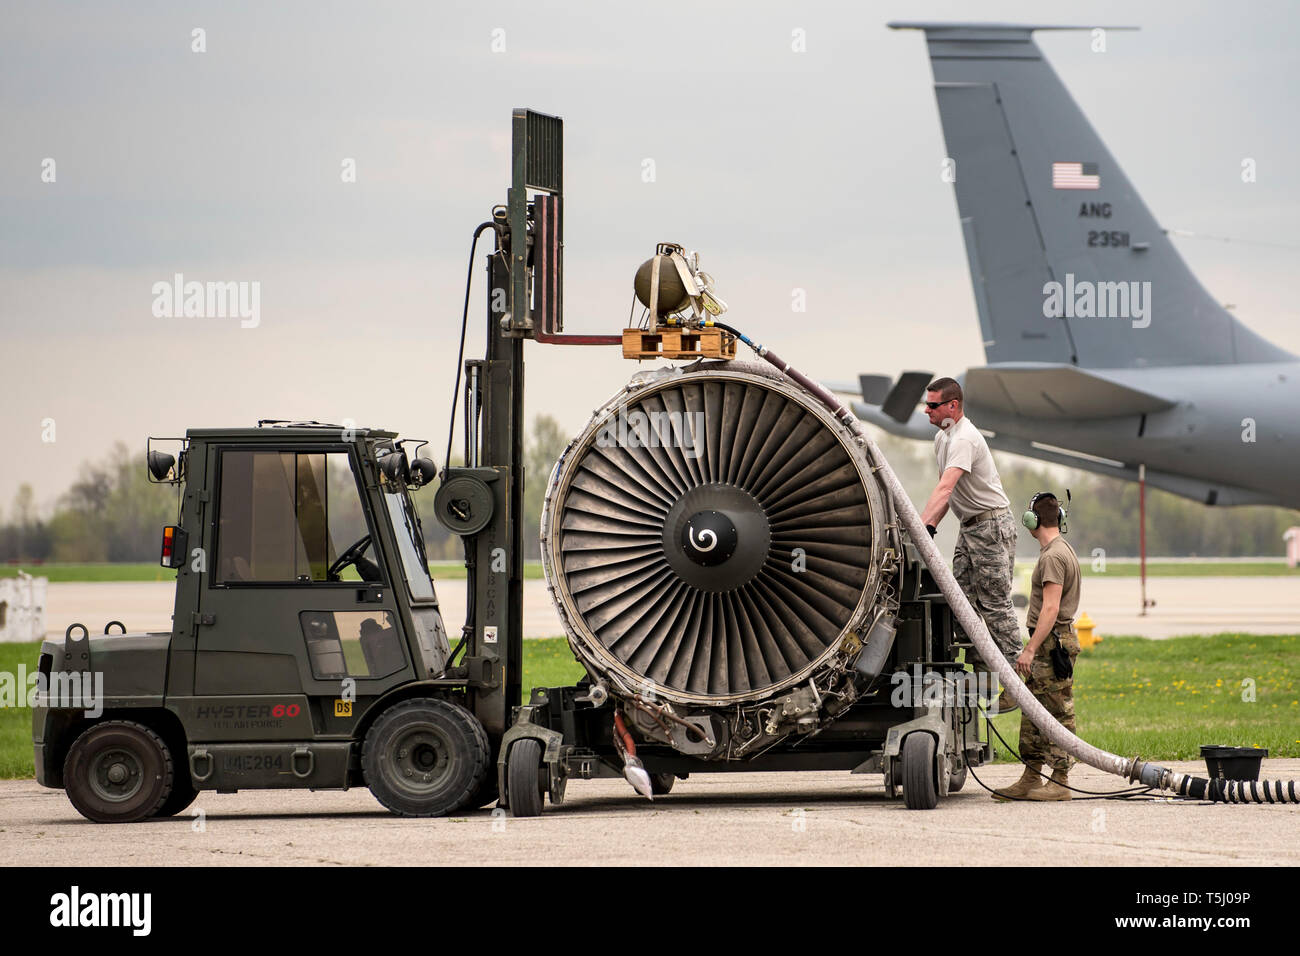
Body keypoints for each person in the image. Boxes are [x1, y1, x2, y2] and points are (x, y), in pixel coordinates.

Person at [918, 378, 1022, 702]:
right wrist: (929, 527)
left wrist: (919, 528)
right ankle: (984, 678)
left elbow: (946, 488)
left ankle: (1018, 683)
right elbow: (947, 495)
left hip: (991, 527)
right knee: (961, 605)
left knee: (995, 607)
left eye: (933, 405)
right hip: (971, 527)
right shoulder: (942, 439)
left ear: (953, 406)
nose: (926, 410)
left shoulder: (964, 438)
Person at [993, 492, 1081, 801]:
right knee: (1032, 712)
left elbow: (1051, 609)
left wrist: (1029, 649)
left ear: (1033, 521)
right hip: (1047, 642)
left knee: (1057, 712)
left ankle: (1060, 781)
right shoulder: (1056, 551)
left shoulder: (1054, 556)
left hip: (1051, 643)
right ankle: (1031, 775)